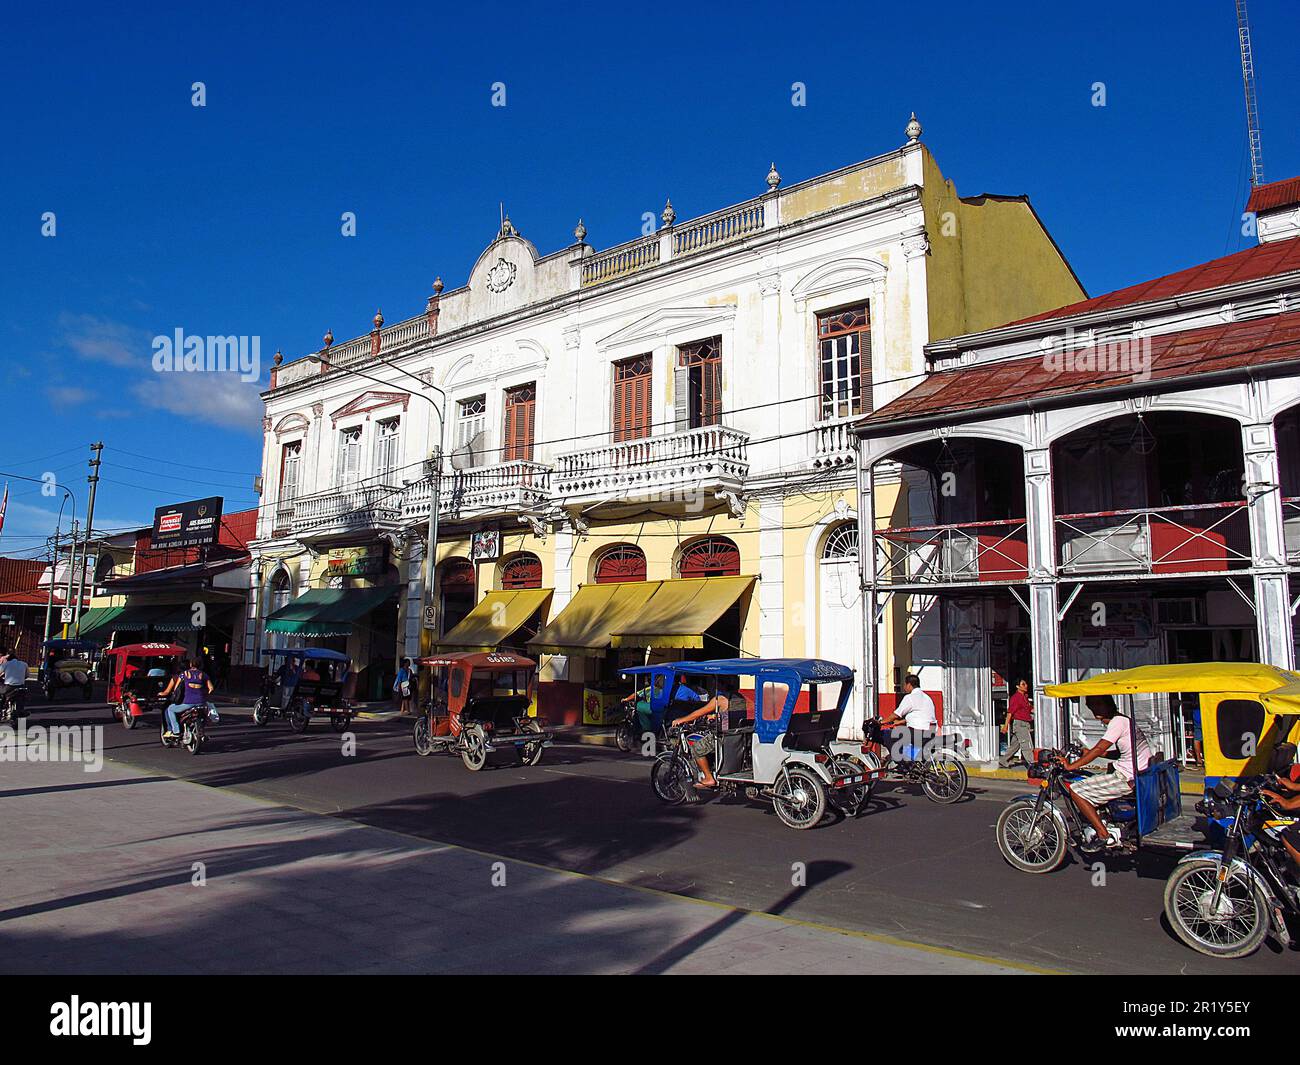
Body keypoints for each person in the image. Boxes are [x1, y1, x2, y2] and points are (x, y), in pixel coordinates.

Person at [1059, 694, 1153, 849]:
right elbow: (1118, 752)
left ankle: (1103, 834)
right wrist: (1094, 753)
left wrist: (1071, 766)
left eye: (1098, 704)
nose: (1095, 710)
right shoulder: (1124, 719)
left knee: (1076, 791)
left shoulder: (1117, 722)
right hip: (1137, 771)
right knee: (1091, 779)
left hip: (1126, 776)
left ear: (1109, 704)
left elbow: (1099, 748)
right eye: (1092, 706)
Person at [877, 673, 937, 764]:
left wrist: (881, 722)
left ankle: (901, 763)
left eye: (905, 684)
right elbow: (920, 716)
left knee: (888, 736)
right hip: (930, 732)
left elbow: (896, 714)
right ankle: (910, 761)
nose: (904, 687)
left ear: (909, 685)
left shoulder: (910, 698)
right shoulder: (927, 698)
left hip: (918, 732)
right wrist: (901, 722)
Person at [159, 657, 213, 740]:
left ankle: (176, 731)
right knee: (203, 716)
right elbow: (211, 688)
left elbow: (176, 688)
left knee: (170, 709)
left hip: (188, 702)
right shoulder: (204, 675)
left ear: (191, 664)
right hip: (201, 702)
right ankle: (201, 730)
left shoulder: (184, 674)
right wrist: (205, 695)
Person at [999, 679, 1034, 768]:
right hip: (1020, 724)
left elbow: (1030, 709)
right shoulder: (1016, 697)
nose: (1026, 685)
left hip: (1025, 724)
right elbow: (1010, 712)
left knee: (1015, 745)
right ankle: (1032, 765)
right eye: (1023, 684)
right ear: (1017, 686)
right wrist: (1006, 726)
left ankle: (1003, 760)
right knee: (1027, 745)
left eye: (1025, 683)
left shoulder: (1024, 697)